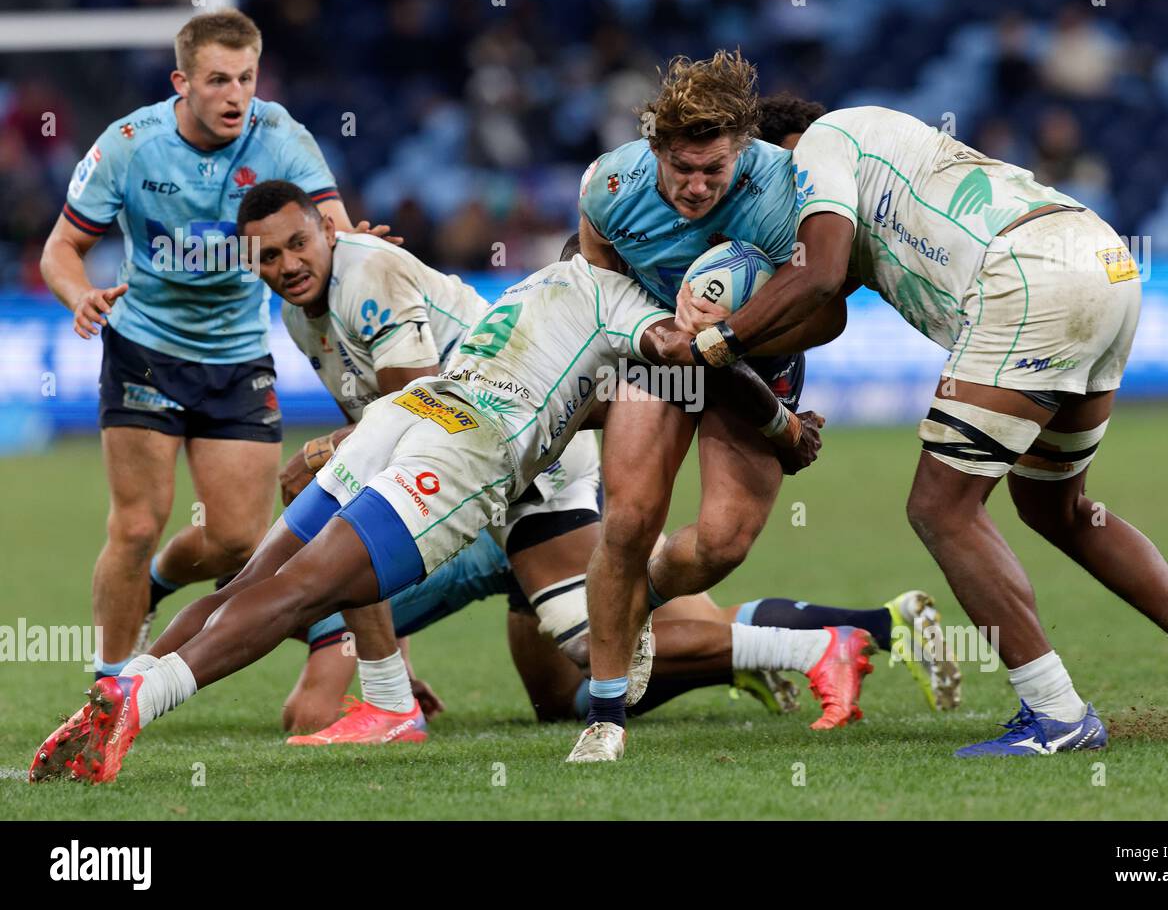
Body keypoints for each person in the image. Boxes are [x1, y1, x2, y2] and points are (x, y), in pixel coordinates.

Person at [27, 237, 847, 783]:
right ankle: (143, 699)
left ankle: (116, 690)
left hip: (408, 415)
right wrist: (768, 405)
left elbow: (602, 392)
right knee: (306, 593)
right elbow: (678, 358)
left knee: (254, 580)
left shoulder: (538, 278)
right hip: (465, 456)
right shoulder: (627, 305)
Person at [666, 103, 1168, 756]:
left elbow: (816, 277)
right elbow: (825, 305)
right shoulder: (882, 158)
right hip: (1101, 259)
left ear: (776, 149)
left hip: (1026, 279)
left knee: (941, 508)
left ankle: (1057, 715)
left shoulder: (817, 147)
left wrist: (719, 341)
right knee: (1055, 506)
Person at [231, 183, 925, 738]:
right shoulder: (317, 312)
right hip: (482, 479)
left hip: (519, 485)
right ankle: (821, 641)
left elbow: (684, 373)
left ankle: (853, 634)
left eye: (298, 244)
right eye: (269, 257)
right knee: (560, 697)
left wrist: (777, 423)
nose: (287, 265)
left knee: (588, 642)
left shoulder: (597, 309)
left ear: (327, 230)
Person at [572, 53, 956, 761]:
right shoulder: (611, 184)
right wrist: (645, 331)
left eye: (713, 170)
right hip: (660, 355)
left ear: (742, 149)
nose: (695, 186)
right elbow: (591, 261)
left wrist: (723, 344)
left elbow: (829, 313)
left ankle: (639, 602)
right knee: (626, 521)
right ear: (655, 148)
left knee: (723, 543)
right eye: (680, 169)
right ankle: (604, 720)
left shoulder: (786, 193)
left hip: (757, 355)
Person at [36, 9, 377, 679]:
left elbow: (332, 230)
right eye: (218, 80)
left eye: (247, 78)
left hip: (237, 356)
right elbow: (61, 248)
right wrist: (80, 295)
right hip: (144, 350)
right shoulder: (130, 144)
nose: (236, 96)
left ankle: (160, 582)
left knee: (236, 541)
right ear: (181, 82)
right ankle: (108, 687)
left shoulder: (279, 137)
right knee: (134, 526)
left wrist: (361, 249)